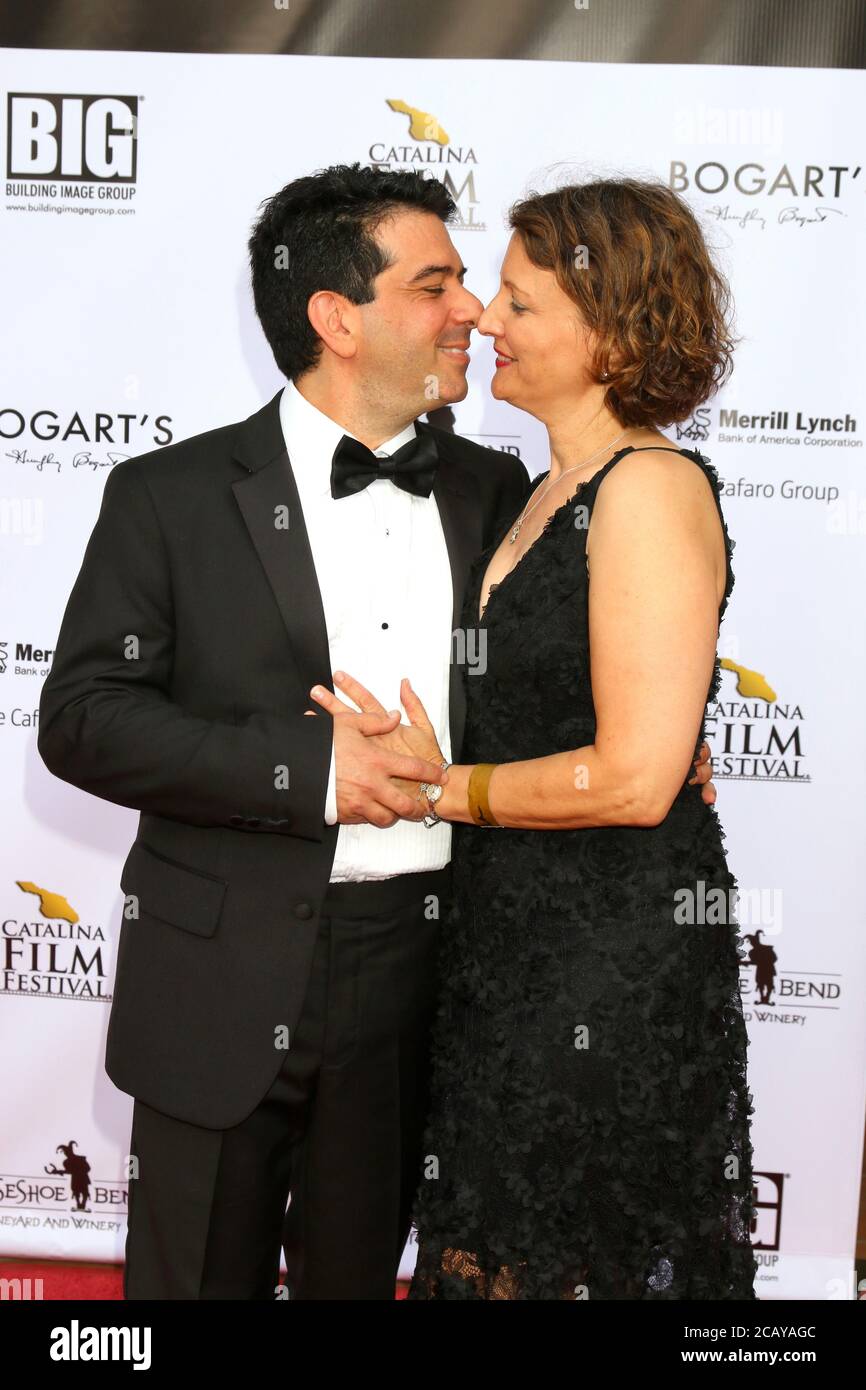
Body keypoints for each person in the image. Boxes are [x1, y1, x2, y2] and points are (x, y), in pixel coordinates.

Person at [37, 164, 715, 1300]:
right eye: (436, 282)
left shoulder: (507, 491)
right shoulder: (170, 493)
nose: (470, 311)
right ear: (336, 318)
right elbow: (83, 721)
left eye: (478, 286)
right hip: (219, 968)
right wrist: (309, 771)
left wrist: (653, 742)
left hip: (430, 970)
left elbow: (593, 677)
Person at [309, 178, 757, 1300]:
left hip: (603, 963)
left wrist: (440, 788)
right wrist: (429, 745)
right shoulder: (536, 490)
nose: (481, 320)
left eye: (516, 302)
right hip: (504, 952)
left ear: (607, 332)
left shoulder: (645, 488)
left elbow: (638, 777)